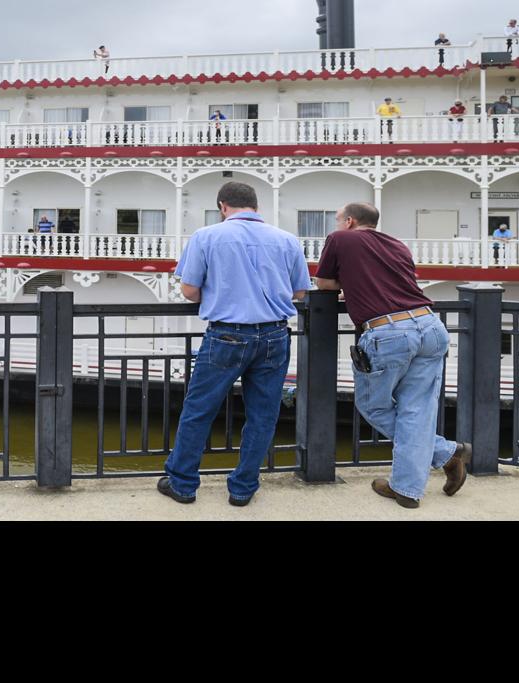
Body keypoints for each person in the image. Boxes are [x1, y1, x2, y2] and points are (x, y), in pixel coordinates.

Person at [158, 181, 310, 508]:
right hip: (274, 335)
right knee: (263, 415)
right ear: (256, 206)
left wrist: (220, 292)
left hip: (227, 334)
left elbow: (189, 291)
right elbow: (299, 292)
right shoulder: (286, 240)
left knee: (200, 410)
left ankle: (182, 484)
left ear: (222, 206)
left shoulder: (206, 236)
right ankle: (243, 487)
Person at [314, 202, 471, 509]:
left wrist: (348, 286)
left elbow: (324, 283)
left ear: (349, 221)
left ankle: (444, 454)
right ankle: (410, 487)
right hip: (430, 325)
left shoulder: (340, 239)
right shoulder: (397, 245)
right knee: (417, 409)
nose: (336, 225)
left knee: (372, 405)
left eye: (338, 220)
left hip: (389, 331)